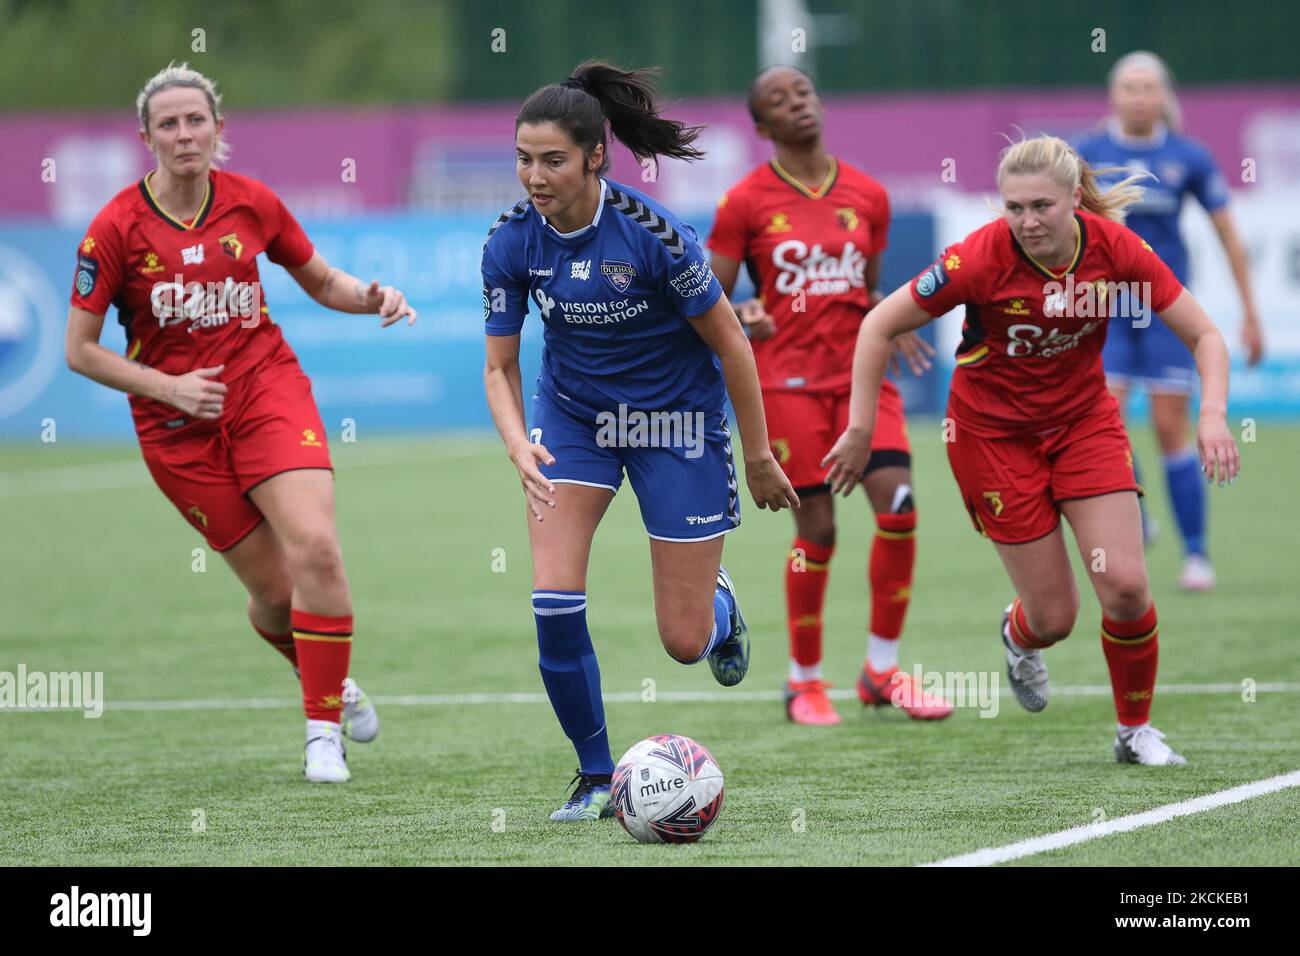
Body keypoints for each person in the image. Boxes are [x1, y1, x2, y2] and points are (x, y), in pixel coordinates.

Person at [823, 135, 1239, 765]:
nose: (1026, 221)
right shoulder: (979, 258)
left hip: (1083, 425)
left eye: (1041, 205)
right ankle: (1020, 638)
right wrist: (859, 430)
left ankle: (1135, 732)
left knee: (1125, 586)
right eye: (1014, 207)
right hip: (992, 439)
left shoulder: (1116, 249)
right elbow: (880, 323)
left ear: (1075, 198)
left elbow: (1205, 334)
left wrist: (1211, 415)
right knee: (1055, 617)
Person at [65, 64, 417, 783]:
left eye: (196, 120)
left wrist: (373, 295)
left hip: (264, 391)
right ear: (147, 138)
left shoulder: (253, 202)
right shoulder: (113, 228)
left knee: (316, 548)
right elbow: (79, 350)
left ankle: (322, 733)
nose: (184, 133)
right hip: (175, 431)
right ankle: (331, 679)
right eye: (169, 123)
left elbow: (321, 281)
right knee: (276, 598)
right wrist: (169, 387)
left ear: (219, 129)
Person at [481, 61, 798, 821]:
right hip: (575, 427)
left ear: (595, 156)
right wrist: (519, 442)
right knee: (553, 604)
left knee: (684, 645)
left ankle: (717, 605)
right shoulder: (510, 242)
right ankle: (595, 778)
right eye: (523, 158)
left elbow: (733, 347)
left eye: (552, 159)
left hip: (677, 429)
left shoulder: (655, 234)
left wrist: (758, 457)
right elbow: (498, 366)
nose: (534, 175)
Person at [707, 64, 951, 725]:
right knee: (816, 527)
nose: (798, 105)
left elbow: (864, 291)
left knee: (899, 507)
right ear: (762, 127)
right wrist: (747, 313)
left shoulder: (869, 194)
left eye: (805, 93)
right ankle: (803, 682)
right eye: (780, 102)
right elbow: (708, 298)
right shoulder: (744, 204)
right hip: (785, 382)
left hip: (861, 381)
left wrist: (888, 321)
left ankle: (881, 670)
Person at [1075, 51, 1262, 591]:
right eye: (1128, 87)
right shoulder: (1087, 152)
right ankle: (1136, 513)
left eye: (1147, 87)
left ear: (1163, 95)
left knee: (1168, 426)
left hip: (1164, 310)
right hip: (1105, 309)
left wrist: (1249, 312)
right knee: (1104, 418)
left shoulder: (1188, 156)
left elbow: (1229, 234)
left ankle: (1196, 554)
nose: (1138, 96)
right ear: (1113, 95)